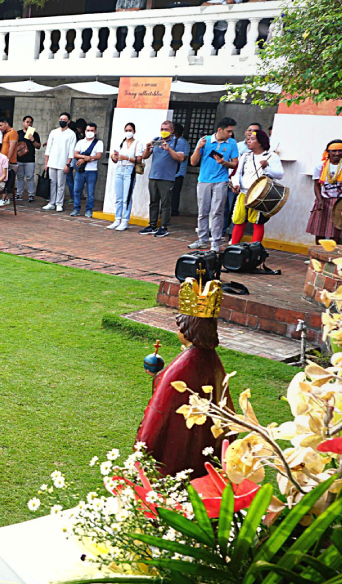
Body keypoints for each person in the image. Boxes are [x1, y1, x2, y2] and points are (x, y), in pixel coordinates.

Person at [136, 278, 227, 479]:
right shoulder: (212, 360)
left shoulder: (185, 364)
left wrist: (143, 446)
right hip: (204, 446)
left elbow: (160, 409)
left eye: (180, 326)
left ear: (189, 329)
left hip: (175, 450)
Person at [190, 117, 239, 251]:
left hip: (221, 181)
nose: (230, 134)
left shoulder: (232, 143)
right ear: (220, 130)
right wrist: (198, 147)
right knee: (203, 211)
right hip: (204, 180)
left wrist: (224, 162)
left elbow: (235, 163)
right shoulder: (205, 141)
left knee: (217, 212)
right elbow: (193, 162)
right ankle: (202, 239)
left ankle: (215, 242)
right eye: (228, 131)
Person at [230, 129, 283, 244]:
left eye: (252, 139)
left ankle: (255, 249)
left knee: (258, 223)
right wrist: (236, 184)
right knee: (239, 221)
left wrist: (266, 167)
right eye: (248, 139)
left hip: (260, 195)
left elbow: (279, 174)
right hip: (244, 193)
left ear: (260, 142)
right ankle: (233, 247)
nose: (248, 141)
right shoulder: (245, 156)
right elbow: (237, 173)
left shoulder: (271, 156)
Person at [141, 120, 189, 237]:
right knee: (153, 201)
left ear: (172, 130)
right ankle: (152, 224)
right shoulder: (157, 140)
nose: (163, 131)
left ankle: (164, 226)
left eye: (166, 129)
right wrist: (147, 148)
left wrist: (169, 149)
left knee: (166, 203)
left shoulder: (178, 142)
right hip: (153, 175)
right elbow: (144, 156)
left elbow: (180, 158)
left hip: (167, 177)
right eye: (162, 129)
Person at [308, 140, 342, 244]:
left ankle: (330, 256)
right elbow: (317, 184)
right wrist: (319, 200)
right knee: (320, 229)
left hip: (340, 200)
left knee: (337, 230)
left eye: (340, 151)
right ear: (328, 152)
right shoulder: (321, 165)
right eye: (334, 151)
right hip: (323, 199)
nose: (337, 153)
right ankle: (318, 255)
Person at [108, 122, 142, 231]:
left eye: (130, 130)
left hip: (129, 170)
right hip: (119, 169)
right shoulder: (121, 143)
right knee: (118, 197)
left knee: (126, 197)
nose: (128, 132)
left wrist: (126, 158)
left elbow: (139, 159)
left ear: (134, 131)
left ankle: (125, 220)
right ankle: (117, 219)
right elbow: (115, 158)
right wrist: (115, 157)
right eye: (126, 130)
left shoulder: (137, 144)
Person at [43, 112, 77, 212]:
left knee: (61, 184)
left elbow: (71, 151)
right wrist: (46, 162)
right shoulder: (53, 132)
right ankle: (51, 202)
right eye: (61, 119)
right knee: (52, 183)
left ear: (68, 121)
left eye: (65, 120)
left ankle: (59, 203)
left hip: (63, 163)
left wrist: (68, 164)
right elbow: (48, 148)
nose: (62, 121)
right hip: (52, 162)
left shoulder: (71, 134)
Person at [70, 122, 103, 218]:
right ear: (85, 131)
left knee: (90, 192)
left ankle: (89, 210)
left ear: (95, 131)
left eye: (92, 130)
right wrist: (85, 157)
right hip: (81, 171)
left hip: (92, 170)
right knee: (77, 190)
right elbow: (75, 154)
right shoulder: (80, 142)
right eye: (88, 130)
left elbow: (98, 156)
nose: (90, 132)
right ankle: (76, 209)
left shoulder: (98, 143)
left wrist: (85, 159)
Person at [17, 116, 41, 203]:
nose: (29, 124)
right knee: (19, 177)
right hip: (19, 159)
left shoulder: (34, 134)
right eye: (27, 122)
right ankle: (19, 194)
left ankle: (31, 195)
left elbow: (38, 146)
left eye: (30, 122)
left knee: (30, 177)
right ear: (23, 123)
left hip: (30, 160)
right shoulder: (18, 133)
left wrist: (32, 140)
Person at [170, 122, 187, 216]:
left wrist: (173, 155)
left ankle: (174, 210)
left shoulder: (183, 142)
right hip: (171, 172)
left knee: (176, 192)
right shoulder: (173, 141)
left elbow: (185, 156)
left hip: (179, 172)